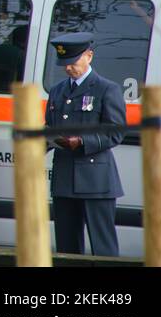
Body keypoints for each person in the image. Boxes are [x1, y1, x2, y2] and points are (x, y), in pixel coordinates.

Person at [44, 34, 124, 257]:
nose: (68, 68)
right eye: (64, 64)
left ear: (89, 56)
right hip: (64, 178)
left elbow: (115, 132)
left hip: (95, 180)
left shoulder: (107, 89)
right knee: (67, 248)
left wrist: (82, 142)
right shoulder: (57, 91)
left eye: (73, 62)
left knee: (103, 247)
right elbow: (50, 126)